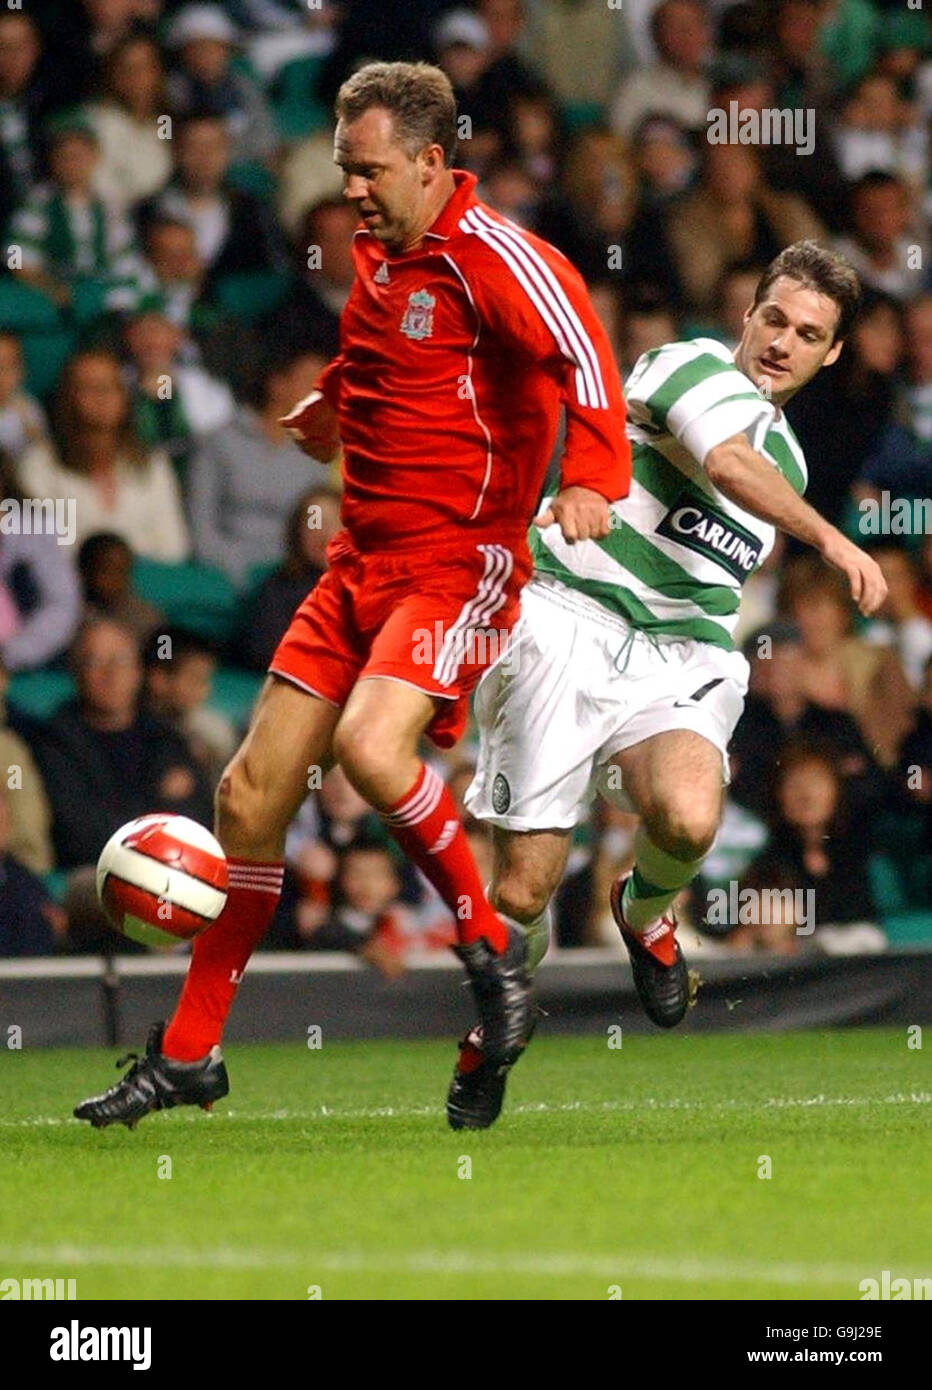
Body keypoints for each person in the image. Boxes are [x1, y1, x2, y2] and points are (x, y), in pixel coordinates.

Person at [73, 59, 629, 1131]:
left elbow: (584, 352)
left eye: (369, 172)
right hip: (359, 566)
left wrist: (594, 479)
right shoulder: (379, 257)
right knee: (246, 796)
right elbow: (386, 360)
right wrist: (331, 408)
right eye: (341, 170)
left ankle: (488, 958)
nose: (351, 194)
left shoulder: (496, 256)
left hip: (458, 561)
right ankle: (190, 1053)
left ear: (431, 161)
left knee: (375, 751)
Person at [460, 240, 887, 1128]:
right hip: (565, 618)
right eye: (775, 318)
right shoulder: (685, 365)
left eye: (809, 334)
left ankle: (645, 914)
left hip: (679, 652)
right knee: (522, 895)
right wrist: (837, 541)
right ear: (748, 314)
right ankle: (494, 1033)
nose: (784, 342)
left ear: (831, 352)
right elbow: (726, 464)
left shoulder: (793, 463)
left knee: (691, 815)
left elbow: (734, 521)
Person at [29, 617, 213, 872]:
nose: (111, 673)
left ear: (138, 671)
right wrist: (158, 798)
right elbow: (81, 836)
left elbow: (200, 815)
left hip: (174, 868)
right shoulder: (55, 741)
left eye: (121, 660)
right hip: (97, 873)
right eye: (95, 662)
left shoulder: (163, 734)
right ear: (76, 672)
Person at [17, 349, 190, 561]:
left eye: (111, 387)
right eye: (90, 388)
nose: (103, 397)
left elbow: (173, 547)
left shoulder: (152, 463)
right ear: (68, 397)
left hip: (149, 584)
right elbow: (43, 549)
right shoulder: (39, 463)